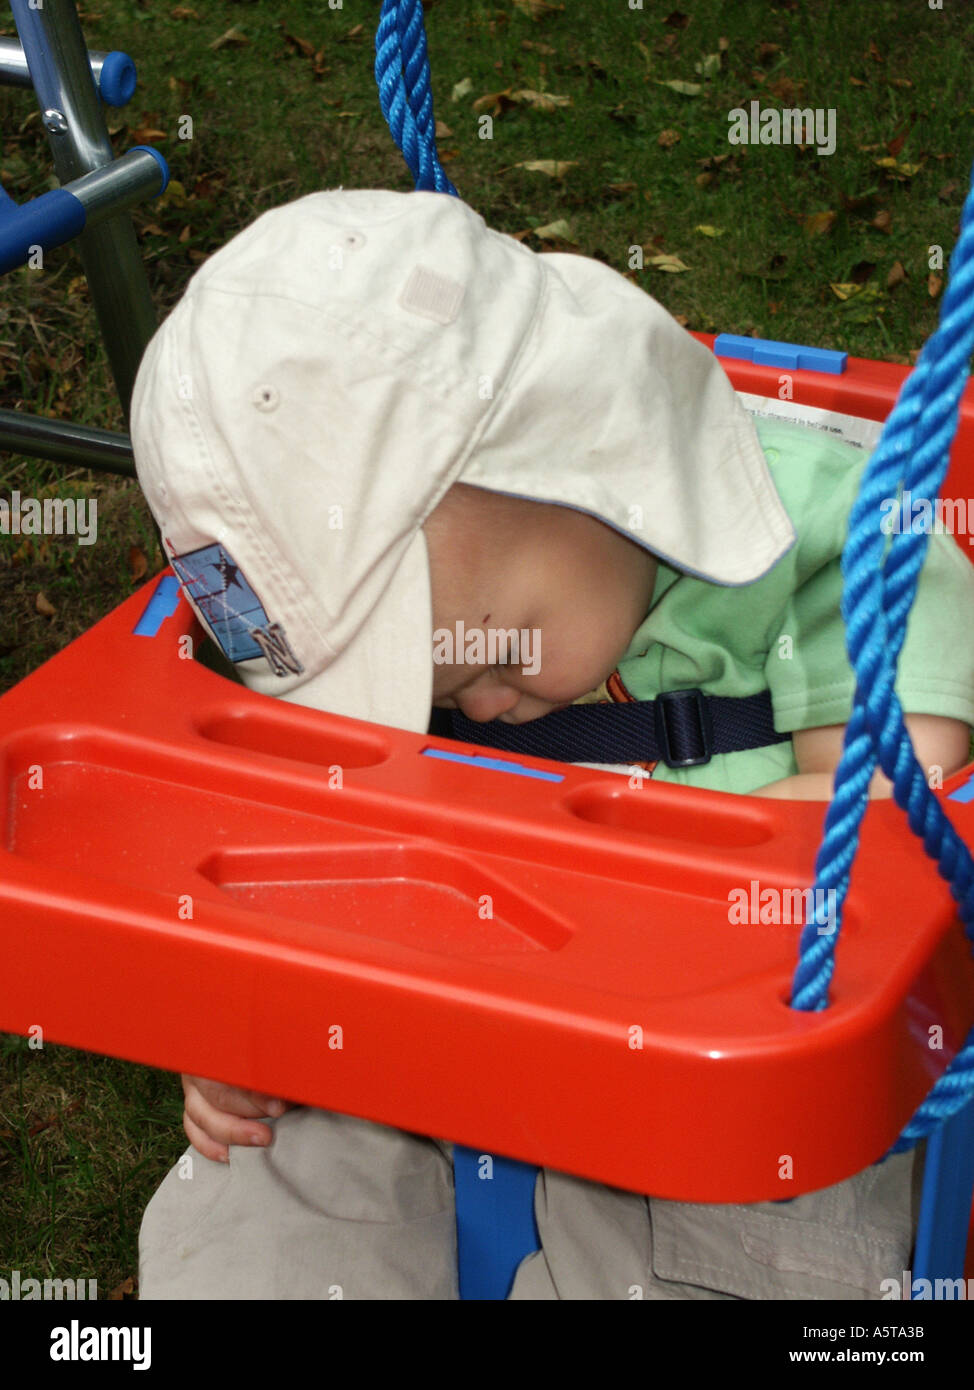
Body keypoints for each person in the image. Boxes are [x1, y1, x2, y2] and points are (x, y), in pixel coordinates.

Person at [129, 187, 974, 1299]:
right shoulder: (489, 599)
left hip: (718, 1070)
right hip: (444, 1004)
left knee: (734, 1246)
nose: (473, 709)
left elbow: (875, 848)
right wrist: (253, 1025)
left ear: (578, 455)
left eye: (483, 661)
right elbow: (296, 846)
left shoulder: (849, 550)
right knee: (264, 1196)